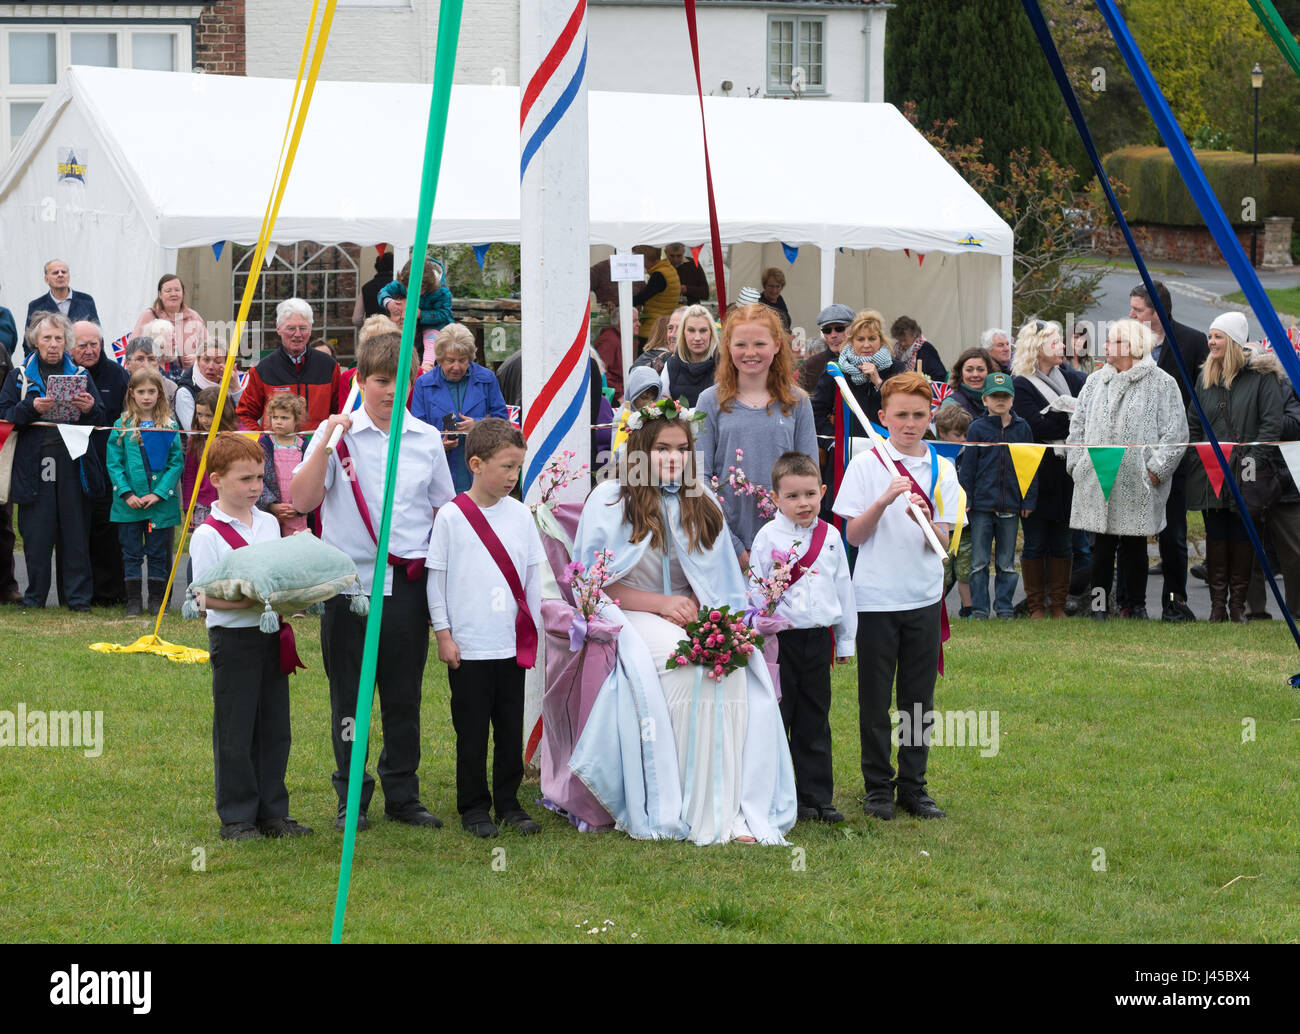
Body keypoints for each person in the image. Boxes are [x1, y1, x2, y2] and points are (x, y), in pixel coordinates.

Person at [571, 403, 797, 844]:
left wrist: (700, 602)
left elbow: (717, 576)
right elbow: (594, 586)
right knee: (688, 668)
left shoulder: (702, 499)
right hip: (633, 612)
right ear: (639, 449)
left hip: (690, 613)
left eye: (681, 448)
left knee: (732, 671)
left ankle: (732, 808)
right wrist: (660, 603)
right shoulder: (611, 497)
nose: (672, 457)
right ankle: (683, 805)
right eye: (661, 448)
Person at [292, 319, 455, 833]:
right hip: (350, 588)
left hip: (406, 586)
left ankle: (402, 792)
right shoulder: (335, 435)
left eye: (399, 379)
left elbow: (445, 513)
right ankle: (351, 794)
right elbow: (301, 501)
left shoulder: (427, 440)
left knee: (404, 693)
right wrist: (326, 440)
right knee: (350, 694)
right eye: (380, 380)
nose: (389, 389)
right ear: (360, 381)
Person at [832, 372, 959, 821]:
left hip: (922, 597)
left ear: (931, 417)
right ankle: (877, 787)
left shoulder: (944, 467)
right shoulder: (868, 464)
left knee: (917, 698)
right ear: (882, 417)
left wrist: (929, 519)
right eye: (900, 415)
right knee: (875, 698)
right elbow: (854, 533)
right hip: (875, 599)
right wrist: (884, 501)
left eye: (919, 415)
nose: (909, 423)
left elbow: (942, 544)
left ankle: (914, 785)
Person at [189, 432, 313, 841]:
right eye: (245, 479)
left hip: (271, 637)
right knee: (236, 730)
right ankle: (238, 817)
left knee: (275, 728)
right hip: (234, 640)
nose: (255, 487)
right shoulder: (208, 534)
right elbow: (203, 597)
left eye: (259, 478)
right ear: (216, 480)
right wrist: (251, 602)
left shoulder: (268, 523)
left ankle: (273, 813)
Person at [428, 418, 544, 838]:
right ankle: (474, 805)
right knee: (472, 730)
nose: (513, 477)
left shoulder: (521, 515)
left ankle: (509, 801)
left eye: (518, 468)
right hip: (470, 646)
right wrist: (443, 633)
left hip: (511, 645)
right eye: (506, 467)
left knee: (509, 728)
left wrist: (532, 631)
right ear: (475, 464)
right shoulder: (452, 518)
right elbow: (436, 578)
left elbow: (532, 576)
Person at [748, 451, 855, 824]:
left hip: (816, 640)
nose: (803, 503)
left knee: (814, 720)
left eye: (810, 494)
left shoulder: (831, 537)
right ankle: (778, 794)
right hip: (780, 643)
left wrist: (845, 641)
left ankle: (817, 798)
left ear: (823, 492)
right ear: (774, 498)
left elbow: (843, 590)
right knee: (778, 716)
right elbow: (756, 590)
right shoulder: (766, 537)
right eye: (792, 496)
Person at [1066, 318, 1187, 621]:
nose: (1105, 346)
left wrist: (1156, 471)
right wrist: (1077, 464)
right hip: (1096, 477)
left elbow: (1176, 433)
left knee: (1135, 546)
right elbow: (1077, 425)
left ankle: (1135, 605)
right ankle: (1098, 606)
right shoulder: (1094, 381)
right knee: (1101, 548)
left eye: (1112, 341)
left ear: (1132, 346)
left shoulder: (1162, 382)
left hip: (1139, 481)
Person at [697, 303, 818, 565]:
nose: (750, 353)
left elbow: (809, 476)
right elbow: (699, 478)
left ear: (776, 345)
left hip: (786, 543)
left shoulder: (798, 402)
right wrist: (734, 545)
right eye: (741, 344)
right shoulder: (709, 401)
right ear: (728, 345)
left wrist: (790, 538)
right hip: (724, 541)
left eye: (759, 344)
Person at [0, 313, 106, 611]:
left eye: (59, 338)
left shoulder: (82, 375)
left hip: (73, 462)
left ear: (66, 342)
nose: (53, 344)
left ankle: (77, 600)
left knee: (75, 533)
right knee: (37, 534)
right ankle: (34, 598)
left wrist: (88, 408)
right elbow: (5, 417)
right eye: (47, 338)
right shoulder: (19, 376)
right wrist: (30, 407)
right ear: (35, 340)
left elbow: (100, 419)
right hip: (33, 465)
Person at [1185, 313, 1283, 622]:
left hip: (1249, 472)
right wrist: (1202, 460)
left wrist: (1249, 465)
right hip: (1211, 472)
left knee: (1243, 537)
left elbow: (1271, 425)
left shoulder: (1263, 377)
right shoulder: (1205, 378)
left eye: (1218, 336)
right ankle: (1217, 607)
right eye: (1210, 336)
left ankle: (1237, 606)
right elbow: (1194, 423)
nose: (1211, 342)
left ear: (1235, 341)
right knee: (1216, 536)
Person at [1129, 282, 1208, 622]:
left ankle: (1174, 603)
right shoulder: (1128, 341)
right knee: (1130, 533)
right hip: (1133, 455)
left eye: (1138, 310)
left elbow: (1201, 396)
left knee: (1174, 535)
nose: (1131, 315)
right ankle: (1131, 603)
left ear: (1158, 312)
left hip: (1175, 454)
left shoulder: (1191, 341)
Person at [1011, 319, 1086, 619]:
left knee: (1063, 540)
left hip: (1066, 468)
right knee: (1036, 539)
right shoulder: (1020, 382)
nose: (1062, 347)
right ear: (1037, 346)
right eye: (1055, 342)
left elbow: (1082, 420)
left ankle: (1058, 604)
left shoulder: (1071, 378)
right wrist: (1066, 419)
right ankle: (1035, 605)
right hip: (1037, 471)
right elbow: (1034, 425)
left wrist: (1061, 420)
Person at [958, 372, 1038, 620]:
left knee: (1006, 562)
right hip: (981, 506)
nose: (1000, 401)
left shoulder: (1023, 428)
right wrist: (967, 499)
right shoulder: (977, 428)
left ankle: (1004, 608)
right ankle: (980, 609)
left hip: (1011, 506)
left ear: (1012, 400)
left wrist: (1028, 500)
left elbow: (1031, 468)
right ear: (985, 400)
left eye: (1005, 397)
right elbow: (968, 468)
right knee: (979, 562)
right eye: (995, 397)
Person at [107, 368, 184, 617]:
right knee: (131, 553)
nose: (147, 396)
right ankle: (132, 602)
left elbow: (176, 463)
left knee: (158, 553)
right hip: (129, 505)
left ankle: (156, 601)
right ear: (132, 394)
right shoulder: (122, 426)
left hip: (159, 505)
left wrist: (159, 493)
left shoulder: (169, 425)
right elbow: (114, 463)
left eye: (152, 391)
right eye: (141, 391)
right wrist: (127, 493)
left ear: (160, 393)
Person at [71, 319, 130, 606]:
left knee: (107, 530)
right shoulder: (64, 374)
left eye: (95, 344)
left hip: (108, 464)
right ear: (71, 347)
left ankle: (110, 594)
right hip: (73, 462)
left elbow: (124, 420)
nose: (89, 350)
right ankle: (79, 591)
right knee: (76, 530)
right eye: (82, 345)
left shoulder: (118, 375)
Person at [811, 310, 903, 494]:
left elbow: (903, 407)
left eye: (872, 338)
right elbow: (816, 412)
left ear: (882, 341)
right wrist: (834, 443)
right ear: (852, 341)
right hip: (845, 458)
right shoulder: (836, 370)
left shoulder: (896, 369)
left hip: (886, 454)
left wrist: (878, 381)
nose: (866, 345)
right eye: (861, 339)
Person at [410, 323, 509, 494]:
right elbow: (416, 429)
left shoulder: (486, 379)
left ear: (470, 358)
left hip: (480, 467)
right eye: (450, 360)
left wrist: (478, 426)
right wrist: (438, 443)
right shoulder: (424, 384)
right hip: (441, 468)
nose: (456, 367)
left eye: (462, 360)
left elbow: (503, 421)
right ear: (439, 359)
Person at [236, 298, 340, 432]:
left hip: (319, 448)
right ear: (278, 329)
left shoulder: (329, 366)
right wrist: (264, 441)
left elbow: (340, 411)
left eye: (303, 328)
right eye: (291, 328)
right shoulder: (262, 369)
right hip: (275, 450)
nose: (297, 334)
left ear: (310, 329)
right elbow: (244, 415)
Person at [378, 258, 454, 372]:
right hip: (413, 325)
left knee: (431, 338)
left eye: (420, 289)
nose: (415, 292)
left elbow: (445, 314)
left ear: (429, 286)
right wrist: (388, 302)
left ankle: (427, 365)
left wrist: (422, 314)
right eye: (409, 288)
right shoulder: (400, 284)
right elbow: (383, 292)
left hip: (434, 324)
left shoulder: (441, 292)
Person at [935, 405, 975, 618]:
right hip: (940, 523)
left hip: (964, 524)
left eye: (966, 435)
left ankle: (967, 609)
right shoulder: (932, 455)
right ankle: (936, 609)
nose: (963, 439)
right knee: (942, 570)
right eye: (958, 435)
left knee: (964, 570)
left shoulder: (969, 454)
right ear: (942, 432)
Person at [183, 387, 235, 531]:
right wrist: (188, 507)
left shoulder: (236, 437)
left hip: (230, 502)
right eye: (200, 414)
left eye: (209, 415)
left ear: (223, 413)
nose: (204, 420)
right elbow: (189, 475)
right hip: (202, 505)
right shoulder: (195, 439)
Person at [258, 393, 308, 537]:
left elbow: (310, 480)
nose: (278, 422)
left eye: (284, 418)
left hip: (296, 512)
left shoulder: (303, 446)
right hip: (270, 511)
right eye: (275, 417)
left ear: (296, 420)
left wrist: (299, 507)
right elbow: (258, 477)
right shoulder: (264, 444)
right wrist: (271, 505)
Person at [132, 274, 205, 373]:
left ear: (183, 293)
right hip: (155, 377)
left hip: (190, 378)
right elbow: (133, 349)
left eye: (177, 290)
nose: (173, 294)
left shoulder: (194, 317)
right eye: (168, 291)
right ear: (160, 294)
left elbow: (207, 348)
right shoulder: (149, 316)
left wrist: (198, 359)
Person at [175, 338, 242, 431]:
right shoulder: (185, 392)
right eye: (206, 360)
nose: (211, 367)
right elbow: (193, 432)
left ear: (226, 363)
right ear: (198, 360)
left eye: (217, 361)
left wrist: (235, 389)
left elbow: (246, 421)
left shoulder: (233, 384)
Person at [660, 304, 719, 406]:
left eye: (703, 330)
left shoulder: (723, 363)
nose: (697, 337)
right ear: (683, 333)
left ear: (711, 333)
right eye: (691, 330)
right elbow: (663, 406)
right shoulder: (671, 365)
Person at [797, 303, 854, 392]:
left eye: (839, 329)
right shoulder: (811, 365)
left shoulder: (867, 360)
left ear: (853, 329)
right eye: (827, 330)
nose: (833, 335)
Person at [25, 259, 98, 326]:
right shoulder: (36, 306)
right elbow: (29, 339)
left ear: (69, 277)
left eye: (64, 272)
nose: (60, 275)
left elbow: (97, 335)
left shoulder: (86, 301)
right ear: (46, 279)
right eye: (55, 273)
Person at [632, 246, 681, 343]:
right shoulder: (668, 269)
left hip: (652, 327)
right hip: (663, 322)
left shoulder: (659, 275)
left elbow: (642, 297)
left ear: (645, 258)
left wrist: (620, 305)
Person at [593, 308, 639, 401]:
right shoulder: (609, 340)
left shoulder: (625, 339)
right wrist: (619, 395)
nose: (639, 324)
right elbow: (601, 371)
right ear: (622, 323)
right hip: (614, 398)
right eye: (634, 321)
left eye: (638, 320)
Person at [940, 347, 996, 421]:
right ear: (960, 373)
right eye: (969, 370)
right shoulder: (951, 404)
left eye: (980, 370)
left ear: (989, 372)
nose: (975, 375)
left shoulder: (998, 399)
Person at [890, 316, 947, 383]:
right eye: (899, 340)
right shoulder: (898, 350)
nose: (902, 344)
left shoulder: (926, 349)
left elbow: (940, 375)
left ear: (914, 335)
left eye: (904, 340)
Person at [123, 337, 177, 407]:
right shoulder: (121, 387)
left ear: (158, 362)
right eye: (140, 359)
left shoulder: (171, 389)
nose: (146, 365)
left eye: (151, 359)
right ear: (128, 364)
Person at [353, 251, 395, 326]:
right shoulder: (398, 286)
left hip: (372, 332)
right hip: (393, 330)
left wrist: (367, 326)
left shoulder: (366, 287)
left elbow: (356, 319)